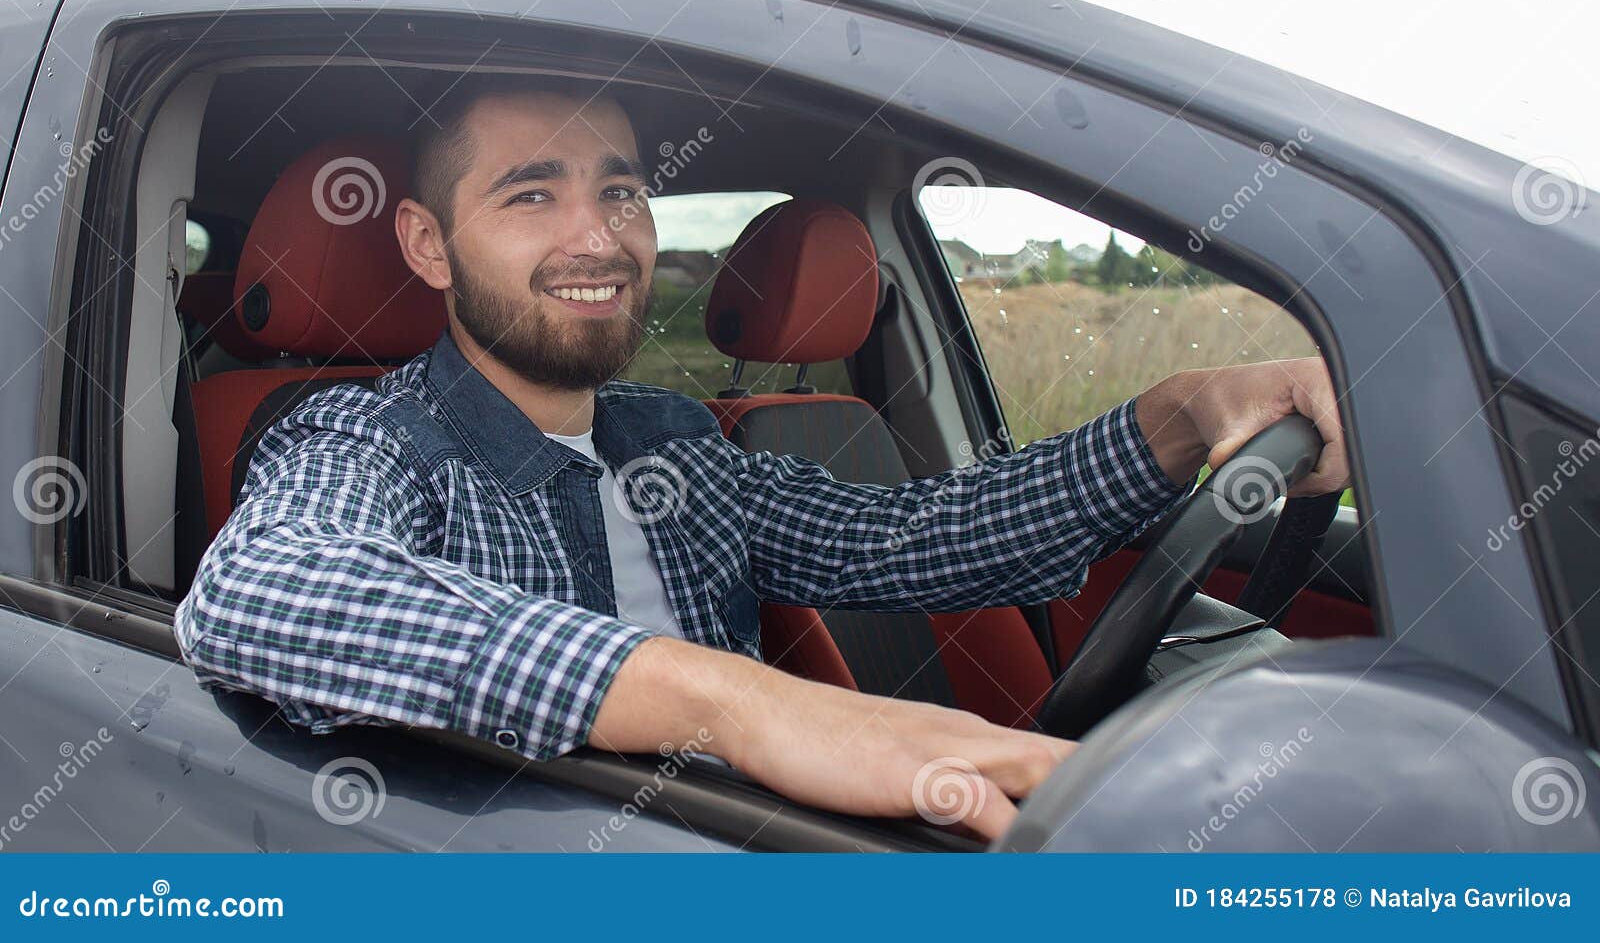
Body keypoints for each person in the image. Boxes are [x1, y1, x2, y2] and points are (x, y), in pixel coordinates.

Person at [174, 74, 1348, 841]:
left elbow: (928, 537)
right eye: (532, 194)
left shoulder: (675, 443)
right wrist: (742, 703)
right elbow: (264, 587)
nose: (600, 236)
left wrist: (1183, 413)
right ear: (428, 243)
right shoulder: (370, 437)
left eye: (622, 190)